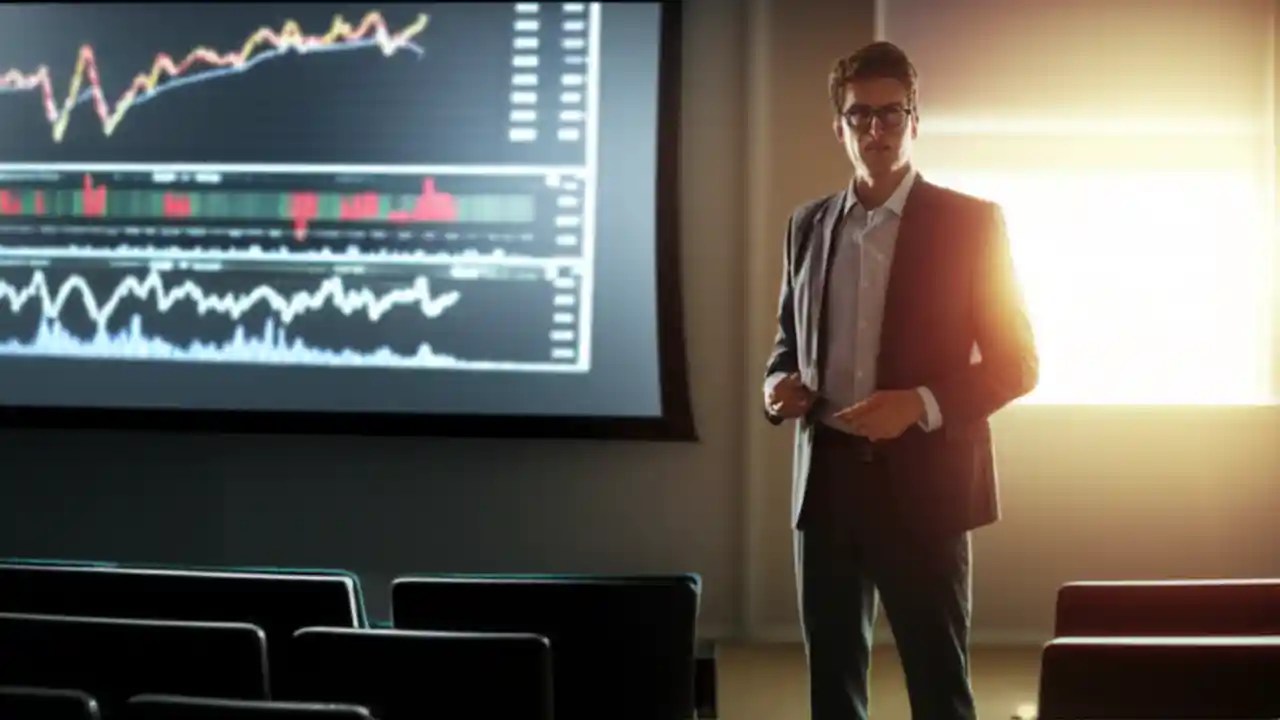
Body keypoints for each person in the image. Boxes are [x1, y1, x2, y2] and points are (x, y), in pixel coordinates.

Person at [761, 41, 1039, 720]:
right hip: (826, 485)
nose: (876, 130)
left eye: (891, 114)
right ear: (840, 127)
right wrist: (775, 387)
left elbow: (1018, 363)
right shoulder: (806, 225)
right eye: (861, 115)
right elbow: (787, 343)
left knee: (939, 687)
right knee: (832, 690)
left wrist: (918, 404)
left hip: (925, 486)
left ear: (915, 121)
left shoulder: (971, 223)